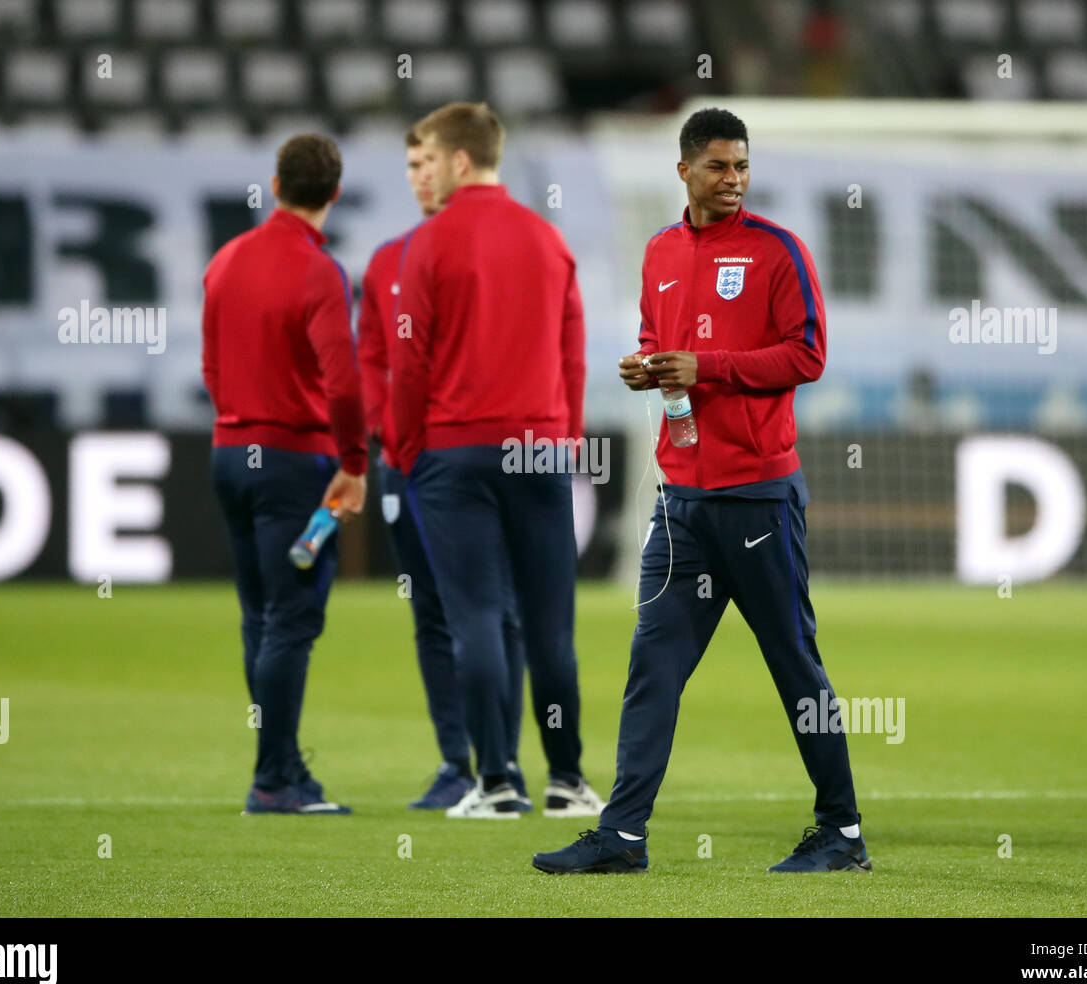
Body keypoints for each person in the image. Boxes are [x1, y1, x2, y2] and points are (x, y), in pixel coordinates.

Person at [534, 107, 869, 872]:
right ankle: (621, 835)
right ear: (683, 170)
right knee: (652, 666)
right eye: (719, 166)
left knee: (793, 662)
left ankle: (842, 832)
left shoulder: (778, 251)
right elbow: (663, 341)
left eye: (742, 166)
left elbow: (808, 354)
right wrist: (646, 364)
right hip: (680, 500)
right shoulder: (658, 251)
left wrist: (706, 368)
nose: (734, 180)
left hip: (758, 496)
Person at [390, 102, 604, 819]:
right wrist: (566, 441)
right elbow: (573, 355)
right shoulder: (548, 240)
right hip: (540, 448)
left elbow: (408, 361)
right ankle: (568, 779)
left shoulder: (428, 244)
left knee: (476, 616)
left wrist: (406, 448)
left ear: (458, 160)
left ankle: (496, 781)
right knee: (550, 626)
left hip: (456, 448)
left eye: (429, 161)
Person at [357, 130, 530, 811]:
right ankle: (457, 762)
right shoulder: (385, 263)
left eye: (428, 161)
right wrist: (390, 433)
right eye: (409, 164)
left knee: (499, 610)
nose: (419, 175)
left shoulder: (500, 250)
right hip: (409, 463)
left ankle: (502, 761)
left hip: (478, 457)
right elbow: (371, 359)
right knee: (433, 612)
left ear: (459, 166)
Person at [202, 134, 367, 815]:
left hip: (229, 452)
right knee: (291, 621)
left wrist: (237, 420)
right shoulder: (319, 271)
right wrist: (355, 465)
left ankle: (285, 764)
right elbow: (344, 383)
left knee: (260, 616)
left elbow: (210, 364)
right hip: (293, 461)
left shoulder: (226, 259)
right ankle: (273, 780)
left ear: (275, 185)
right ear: (333, 194)